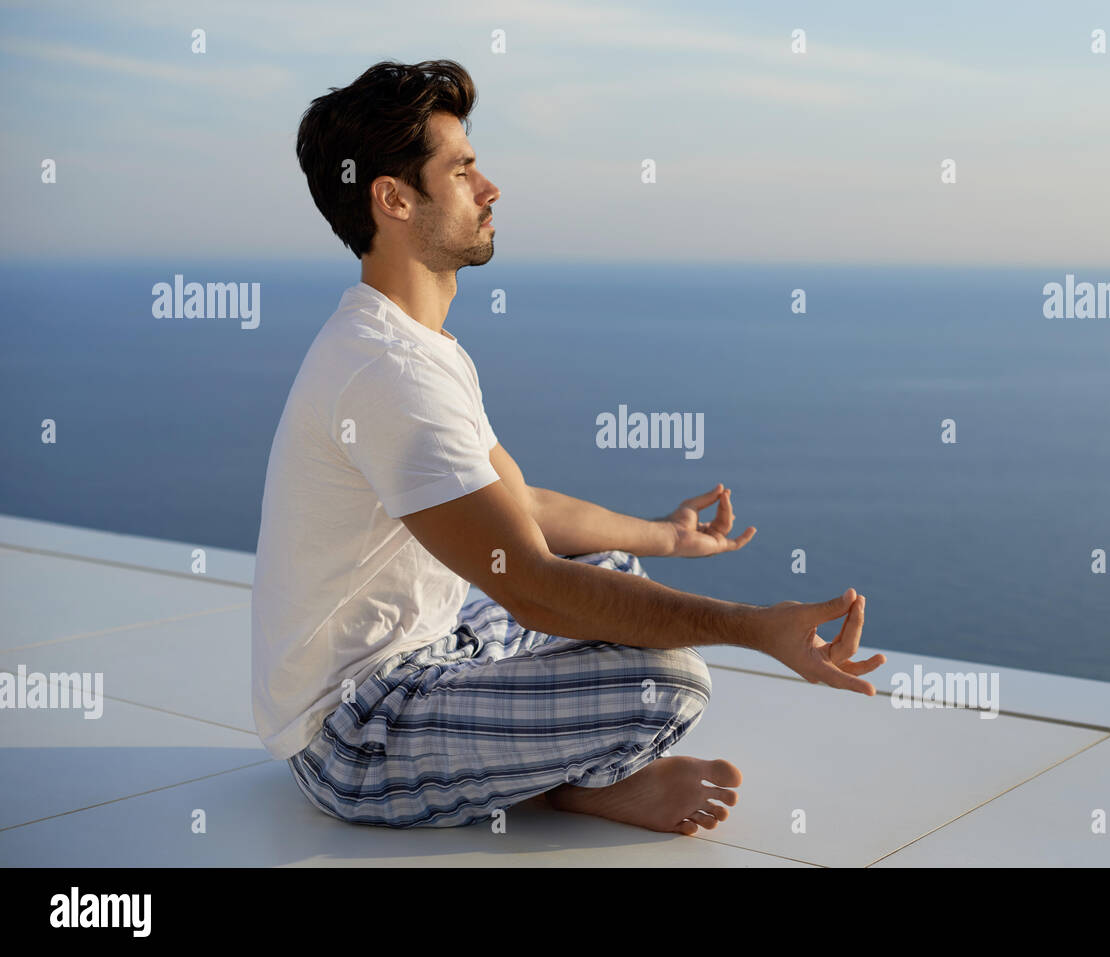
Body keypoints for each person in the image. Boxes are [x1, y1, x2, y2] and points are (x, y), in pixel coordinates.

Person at [251, 59, 884, 836]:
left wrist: (667, 536)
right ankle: (568, 788)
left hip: (434, 645)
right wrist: (759, 628)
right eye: (463, 170)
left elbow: (521, 509)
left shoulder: (409, 344)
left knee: (614, 574)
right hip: (357, 736)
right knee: (668, 677)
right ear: (393, 198)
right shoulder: (388, 372)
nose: (490, 189)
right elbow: (530, 587)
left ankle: (558, 775)